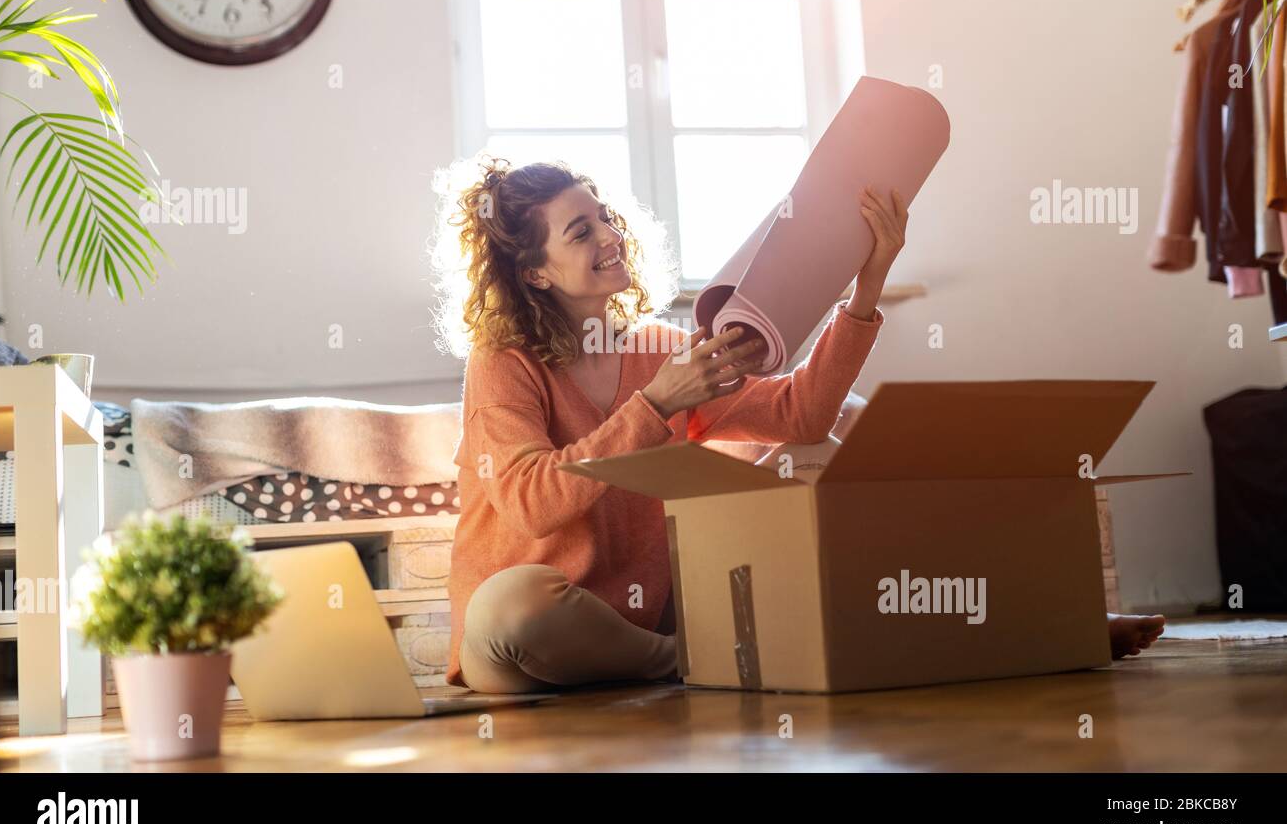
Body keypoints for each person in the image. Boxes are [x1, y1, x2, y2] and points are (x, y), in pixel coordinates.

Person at [431, 155, 1165, 693]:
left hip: (652, 617)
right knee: (516, 603)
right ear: (534, 273)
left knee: (815, 463)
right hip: (528, 645)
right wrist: (655, 406)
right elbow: (530, 500)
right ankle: (714, 659)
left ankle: (1037, 629)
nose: (609, 237)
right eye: (580, 230)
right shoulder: (503, 363)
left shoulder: (658, 349)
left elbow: (803, 419)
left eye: (606, 219)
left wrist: (867, 281)